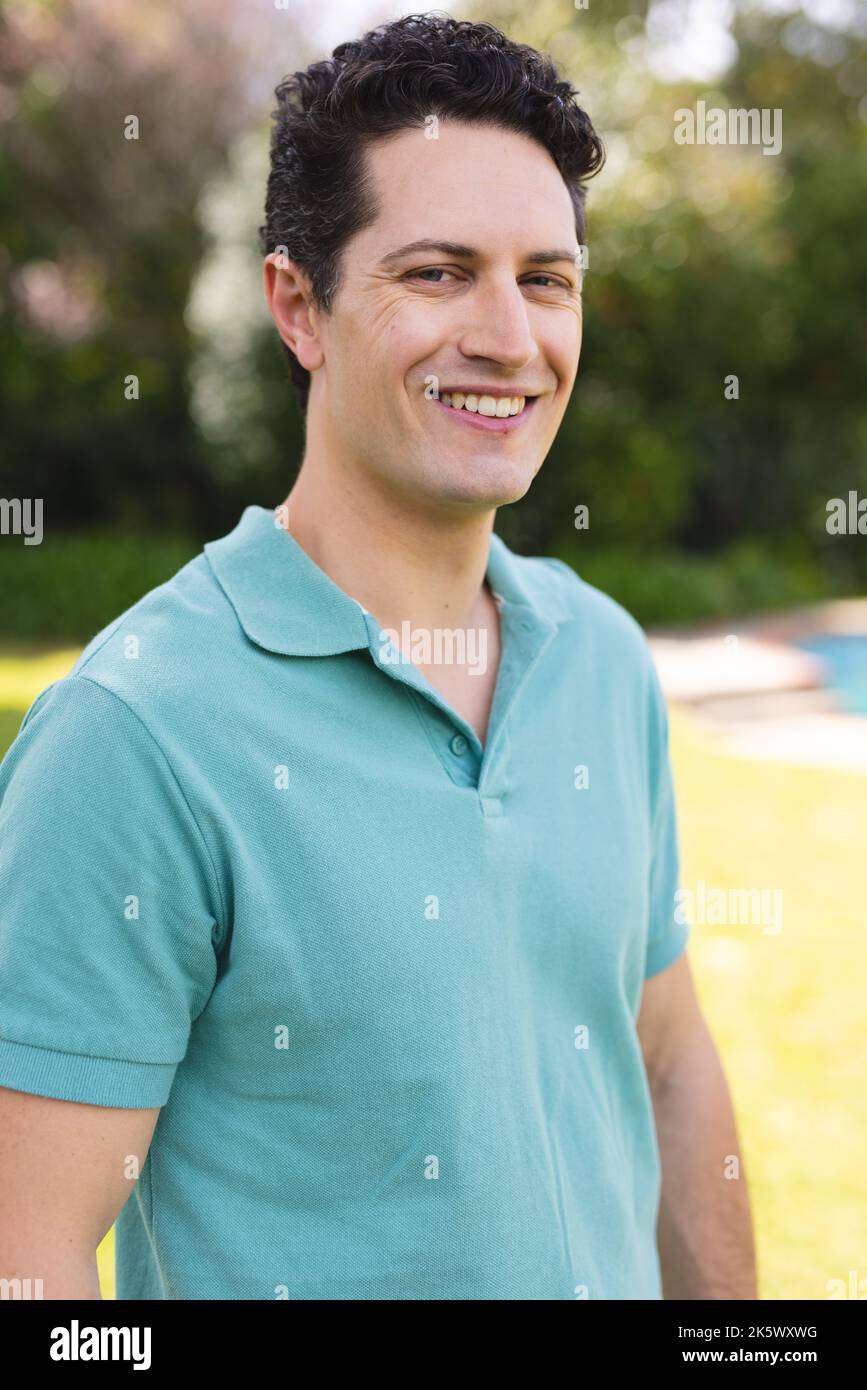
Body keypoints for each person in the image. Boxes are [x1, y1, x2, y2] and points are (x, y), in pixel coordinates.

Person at [0, 13, 756, 1300]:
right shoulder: (136, 733)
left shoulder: (605, 666)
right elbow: (28, 1264)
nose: (510, 337)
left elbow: (668, 1057)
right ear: (299, 304)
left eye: (547, 278)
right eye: (438, 272)